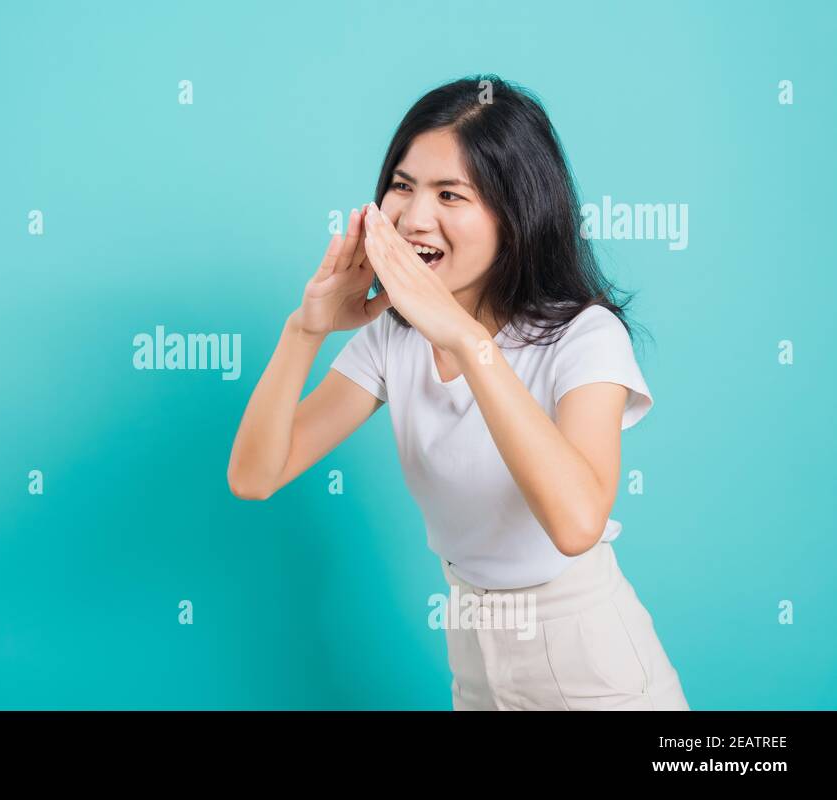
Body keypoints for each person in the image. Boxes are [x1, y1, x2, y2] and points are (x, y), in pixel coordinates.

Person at [226, 75, 689, 711]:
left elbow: (577, 523)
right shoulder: (394, 339)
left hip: (591, 663)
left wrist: (467, 341)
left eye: (451, 194)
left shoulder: (584, 335)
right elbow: (255, 475)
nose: (415, 218)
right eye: (401, 186)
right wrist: (304, 329)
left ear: (515, 213)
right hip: (474, 659)